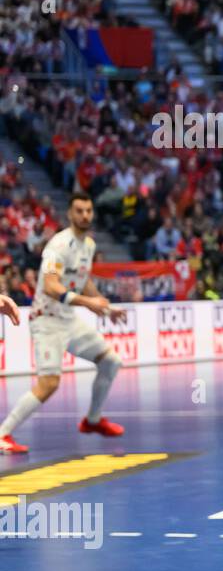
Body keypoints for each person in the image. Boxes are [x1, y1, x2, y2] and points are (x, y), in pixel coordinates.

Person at [0, 192, 128, 454]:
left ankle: (92, 420)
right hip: (47, 321)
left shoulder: (89, 245)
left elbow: (83, 280)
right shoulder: (57, 246)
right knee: (49, 384)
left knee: (111, 361)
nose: (85, 216)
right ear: (70, 214)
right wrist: (87, 303)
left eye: (89, 211)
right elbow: (50, 285)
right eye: (79, 211)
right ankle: (3, 434)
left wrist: (106, 306)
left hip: (69, 319)